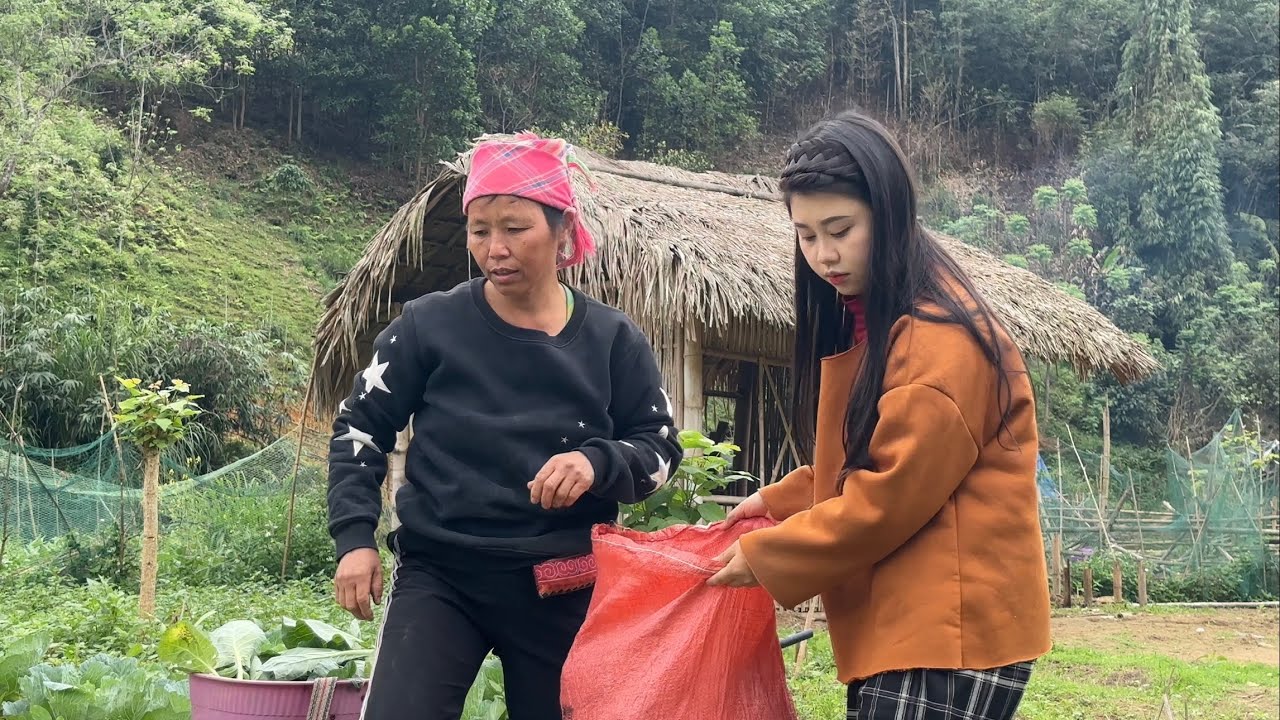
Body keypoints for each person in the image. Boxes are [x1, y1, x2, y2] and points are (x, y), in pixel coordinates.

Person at [326, 133, 684, 720]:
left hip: (563, 579)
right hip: (442, 572)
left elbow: (661, 446)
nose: (495, 248)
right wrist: (355, 540)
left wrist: (597, 462)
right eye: (480, 229)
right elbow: (359, 430)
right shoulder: (427, 326)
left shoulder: (612, 340)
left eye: (516, 228)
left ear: (562, 231)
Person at [707, 110, 1052, 719]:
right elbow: (881, 455)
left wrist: (771, 555)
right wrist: (782, 499)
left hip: (948, 633)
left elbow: (888, 498)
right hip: (921, 625)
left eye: (840, 228)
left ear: (889, 214)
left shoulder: (939, 343)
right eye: (807, 235)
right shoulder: (889, 321)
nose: (823, 254)